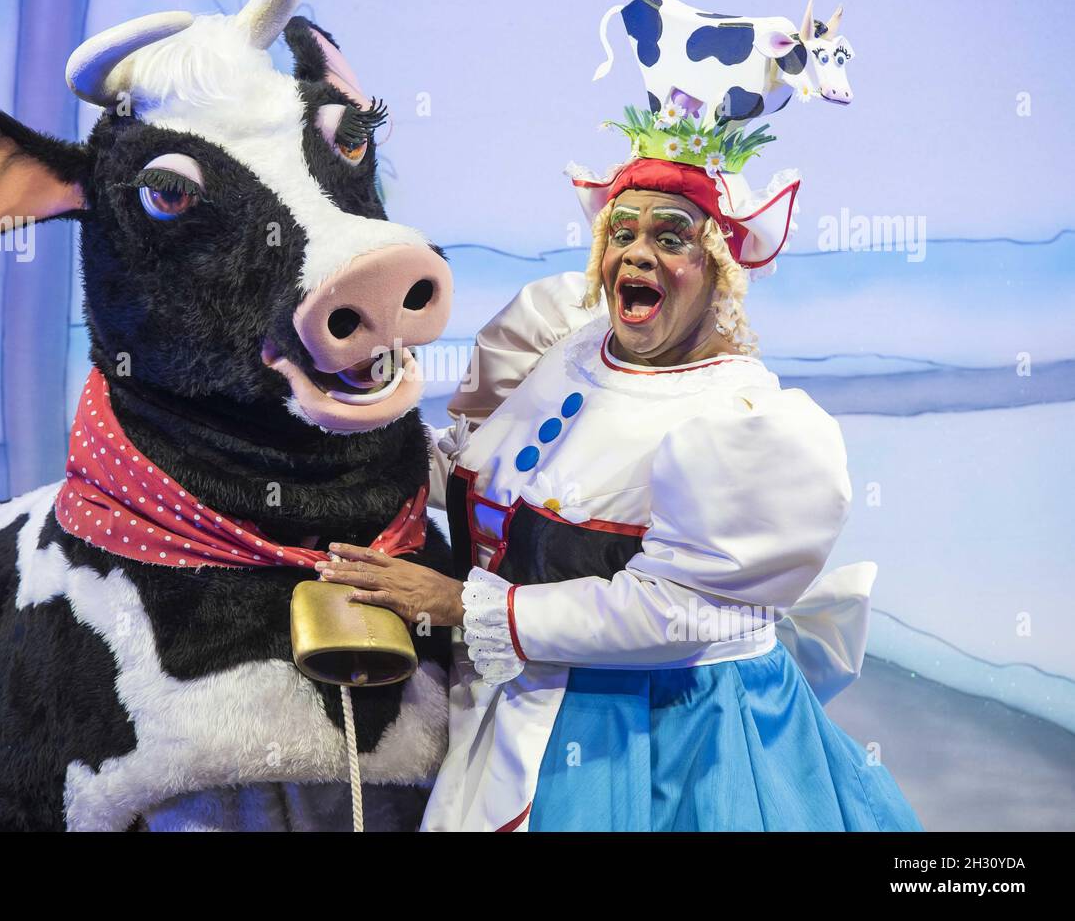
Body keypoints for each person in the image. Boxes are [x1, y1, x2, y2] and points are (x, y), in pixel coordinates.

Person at [314, 99, 922, 832]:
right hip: (515, 698)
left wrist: (457, 602)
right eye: (622, 232)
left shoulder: (741, 424)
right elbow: (492, 482)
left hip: (649, 741)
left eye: (671, 237)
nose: (637, 254)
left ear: (717, 270)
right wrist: (361, 441)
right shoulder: (564, 346)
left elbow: (675, 610)